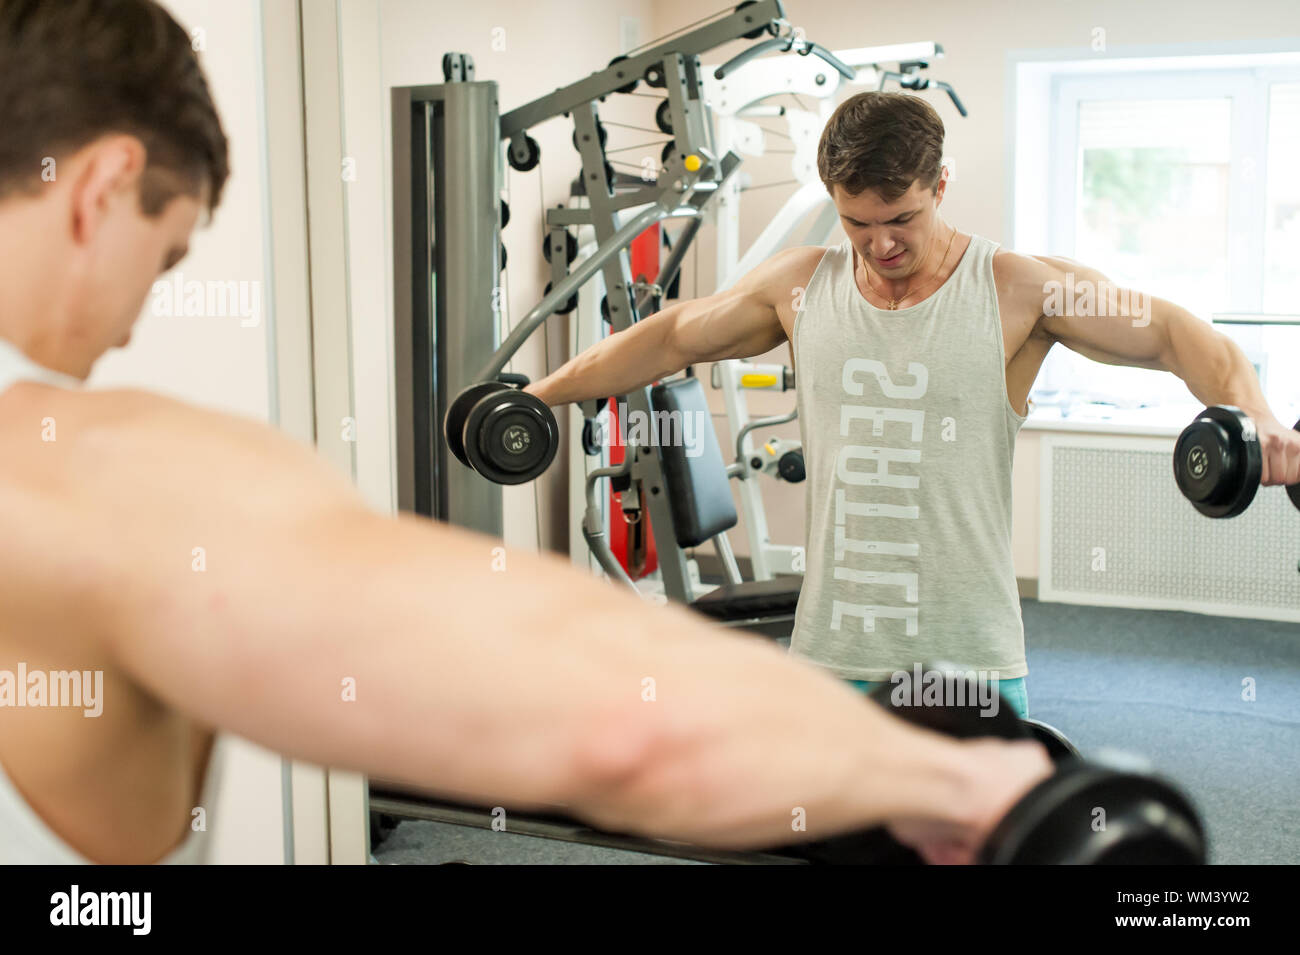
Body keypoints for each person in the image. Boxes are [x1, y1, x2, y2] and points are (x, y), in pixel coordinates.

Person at [0, 0, 1053, 867]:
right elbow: (614, 726)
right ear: (96, 194)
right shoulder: (91, 469)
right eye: (168, 253)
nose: (140, 316)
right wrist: (955, 779)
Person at [527, 90, 1300, 718]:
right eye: (857, 222)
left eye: (901, 219)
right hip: (830, 657)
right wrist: (536, 396)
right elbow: (671, 337)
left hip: (970, 665)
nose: (880, 243)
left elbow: (1170, 332)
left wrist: (1255, 410)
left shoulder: (1016, 287)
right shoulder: (803, 284)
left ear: (940, 185)